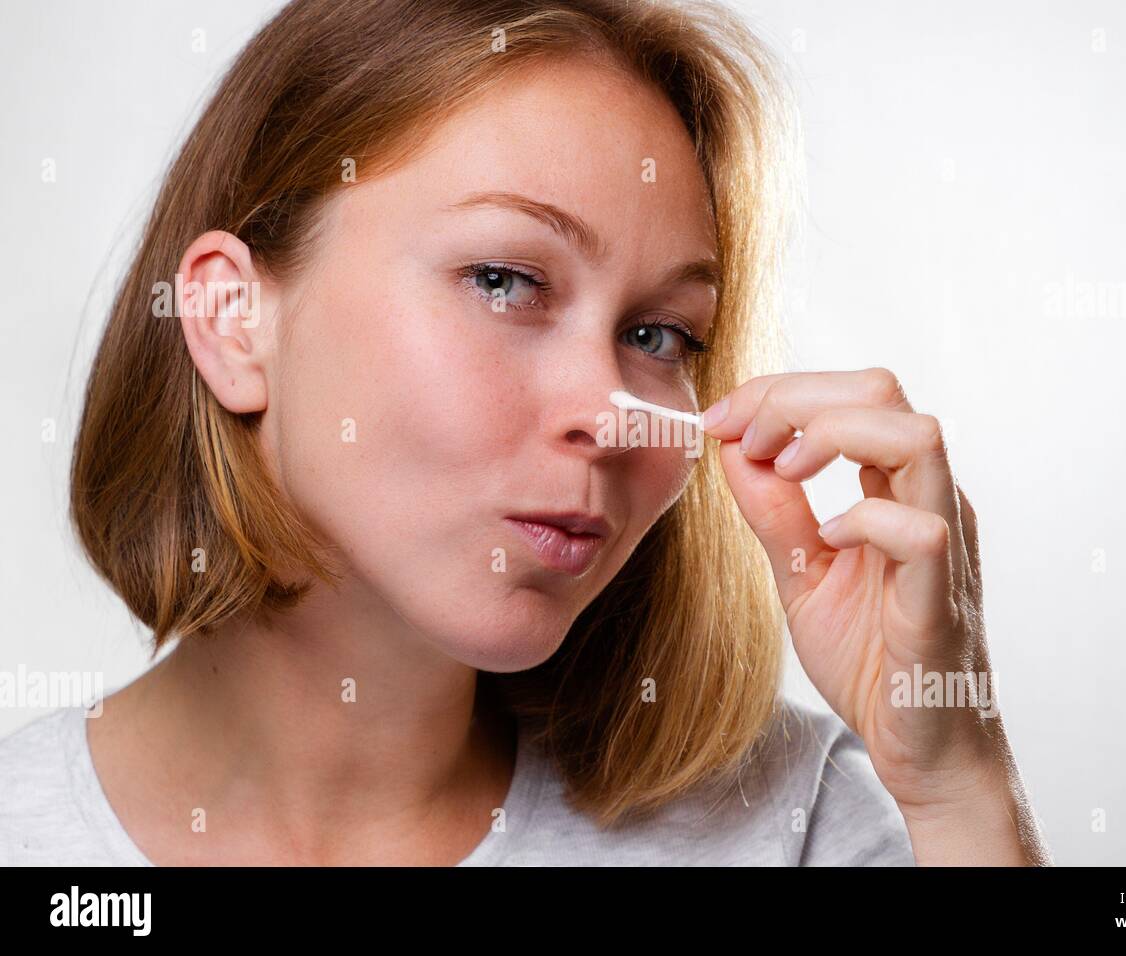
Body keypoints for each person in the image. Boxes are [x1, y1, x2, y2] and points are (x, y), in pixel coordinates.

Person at [0, 0, 1048, 866]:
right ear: (235, 320)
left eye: (659, 333)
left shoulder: (789, 825)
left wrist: (955, 784)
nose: (607, 411)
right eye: (504, 280)